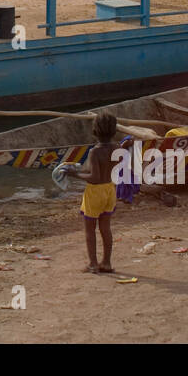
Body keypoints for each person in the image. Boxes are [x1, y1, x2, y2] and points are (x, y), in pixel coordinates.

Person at [63, 112, 119, 274]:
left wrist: (74, 174)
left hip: (95, 193)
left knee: (90, 229)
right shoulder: (117, 149)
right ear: (114, 132)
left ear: (94, 131)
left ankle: (93, 264)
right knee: (105, 228)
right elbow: (105, 171)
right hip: (110, 189)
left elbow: (94, 177)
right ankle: (106, 263)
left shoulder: (95, 151)